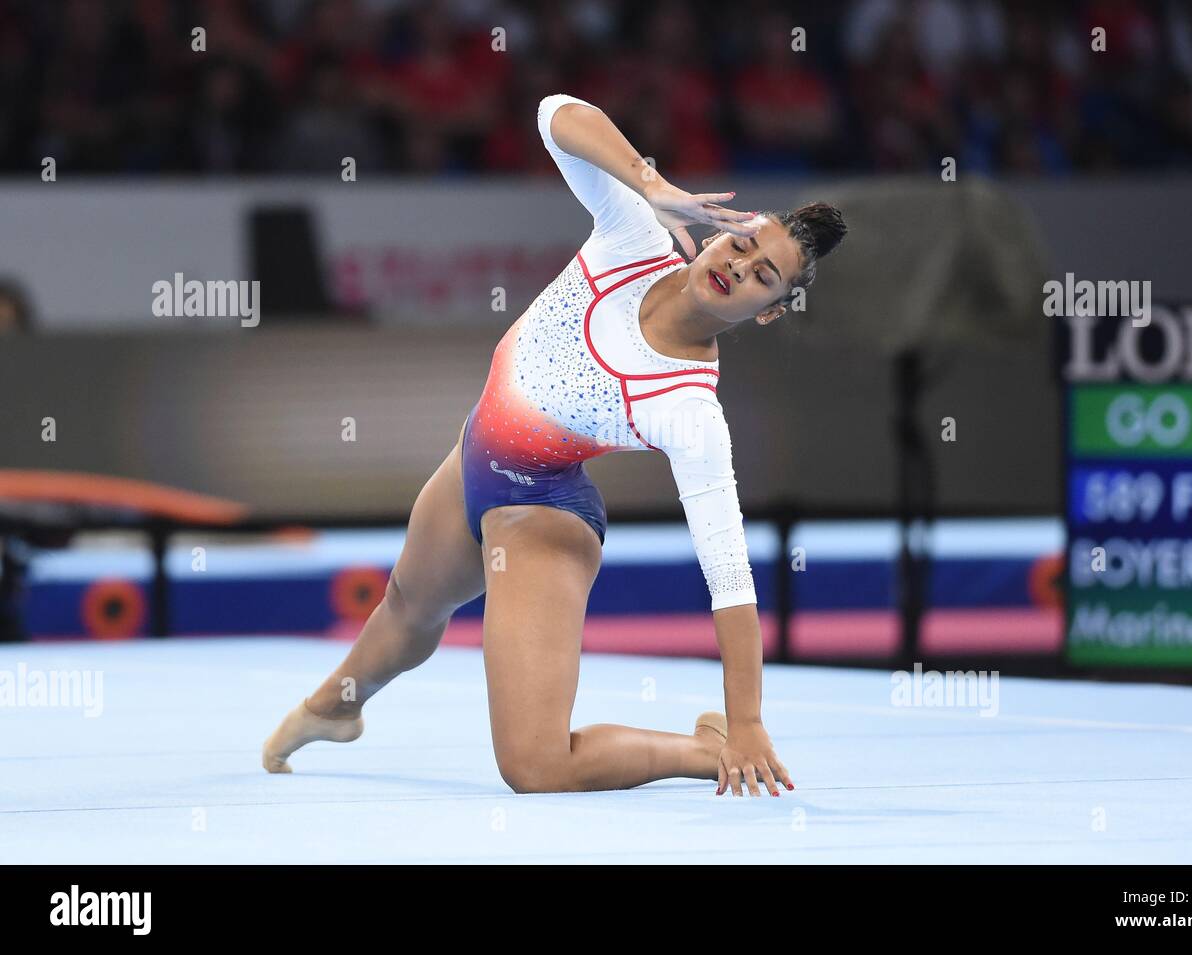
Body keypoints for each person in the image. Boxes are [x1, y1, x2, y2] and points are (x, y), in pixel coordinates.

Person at [263, 93, 846, 795]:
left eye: (763, 277)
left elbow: (730, 578)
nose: (738, 267)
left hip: (542, 516)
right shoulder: (635, 237)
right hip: (473, 461)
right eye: (742, 245)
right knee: (409, 610)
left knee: (536, 766)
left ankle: (708, 749)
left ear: (771, 311)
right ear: (719, 233)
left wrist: (746, 717)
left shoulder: (688, 407)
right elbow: (553, 114)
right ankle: (337, 705)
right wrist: (649, 179)